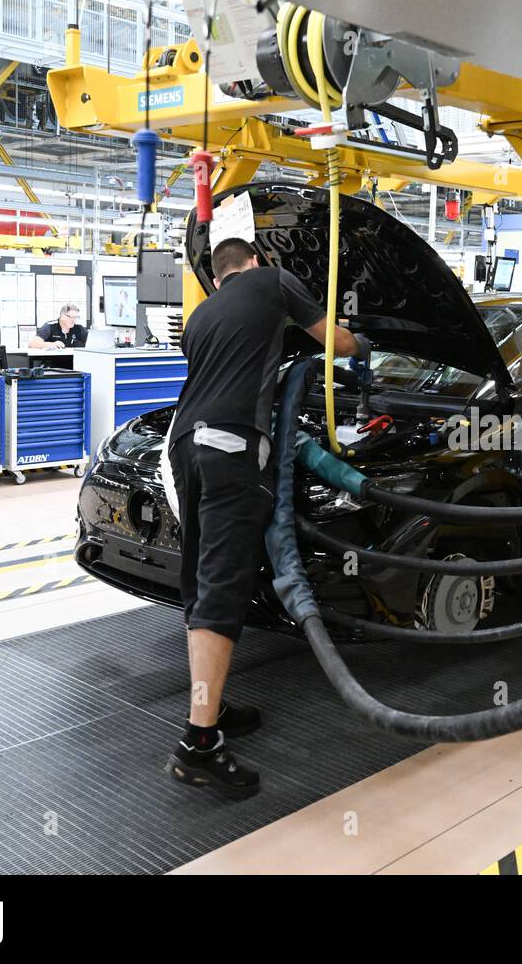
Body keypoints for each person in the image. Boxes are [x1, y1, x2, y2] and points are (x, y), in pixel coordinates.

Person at [166, 237, 368, 798]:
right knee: (223, 590)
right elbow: (335, 340)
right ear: (256, 261)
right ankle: (199, 746)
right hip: (232, 448)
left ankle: (212, 703)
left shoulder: (200, 316)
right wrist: (363, 342)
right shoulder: (274, 283)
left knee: (201, 584)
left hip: (185, 446)